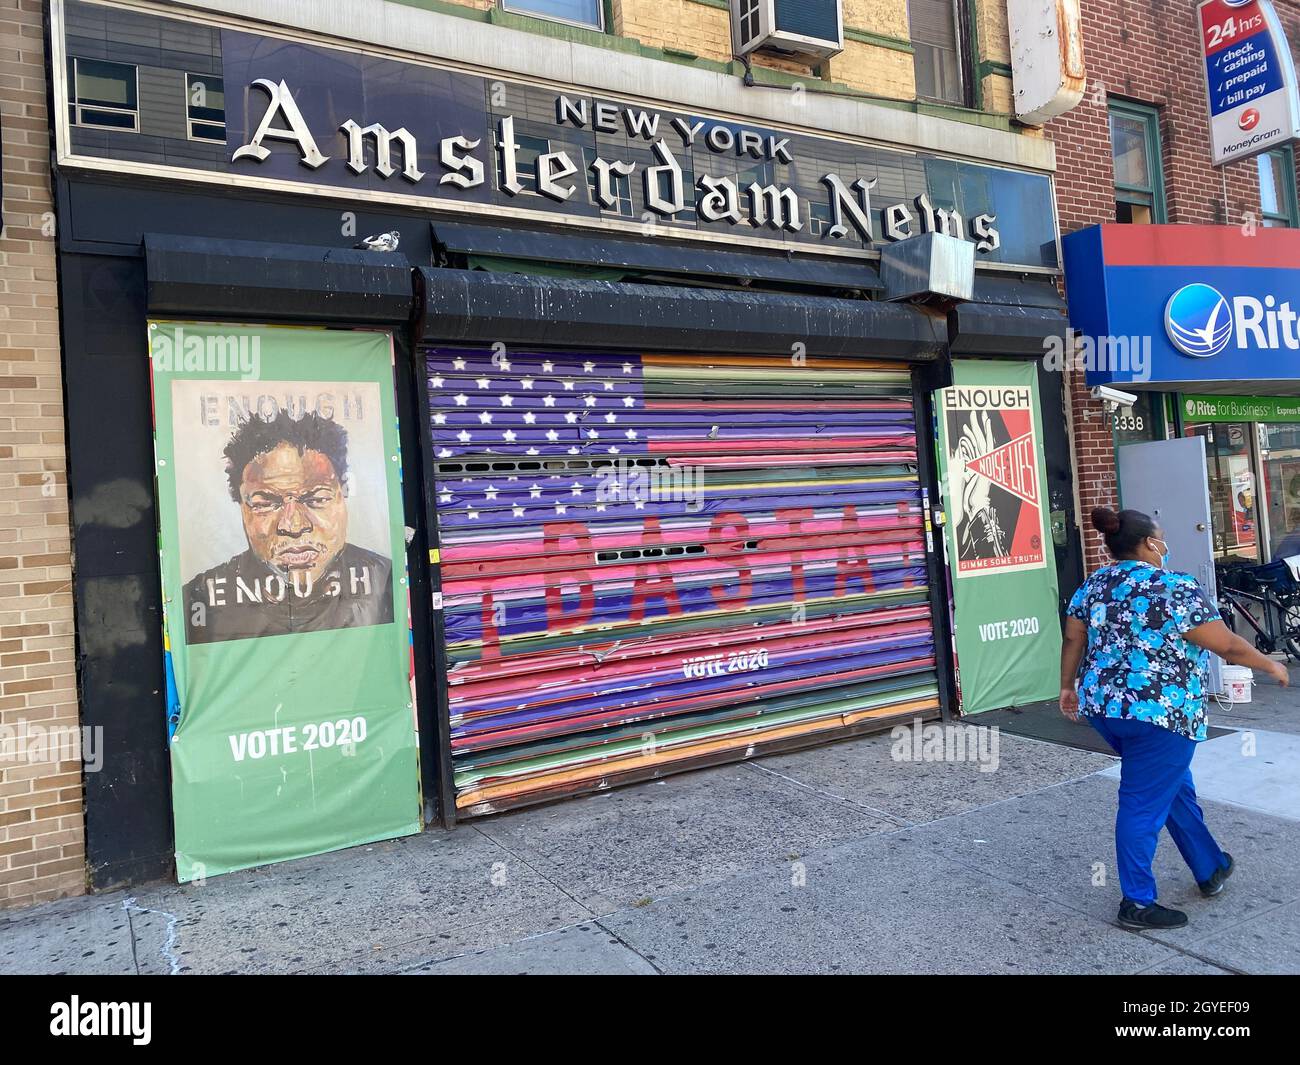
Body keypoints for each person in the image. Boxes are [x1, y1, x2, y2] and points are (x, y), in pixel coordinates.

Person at [1059, 506, 1289, 930]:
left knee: (1171, 786)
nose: (1165, 544)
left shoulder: (1092, 584)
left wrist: (1066, 686)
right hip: (1161, 713)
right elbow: (1229, 647)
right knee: (1142, 802)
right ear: (1149, 543)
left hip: (1106, 709)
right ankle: (1137, 903)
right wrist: (1270, 665)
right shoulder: (1174, 588)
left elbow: (1074, 636)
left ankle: (1210, 867)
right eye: (1161, 537)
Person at [183, 410, 393, 645]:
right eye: (265, 503)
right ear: (241, 506)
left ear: (343, 494)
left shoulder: (386, 582)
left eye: (317, 499)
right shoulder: (200, 598)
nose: (293, 525)